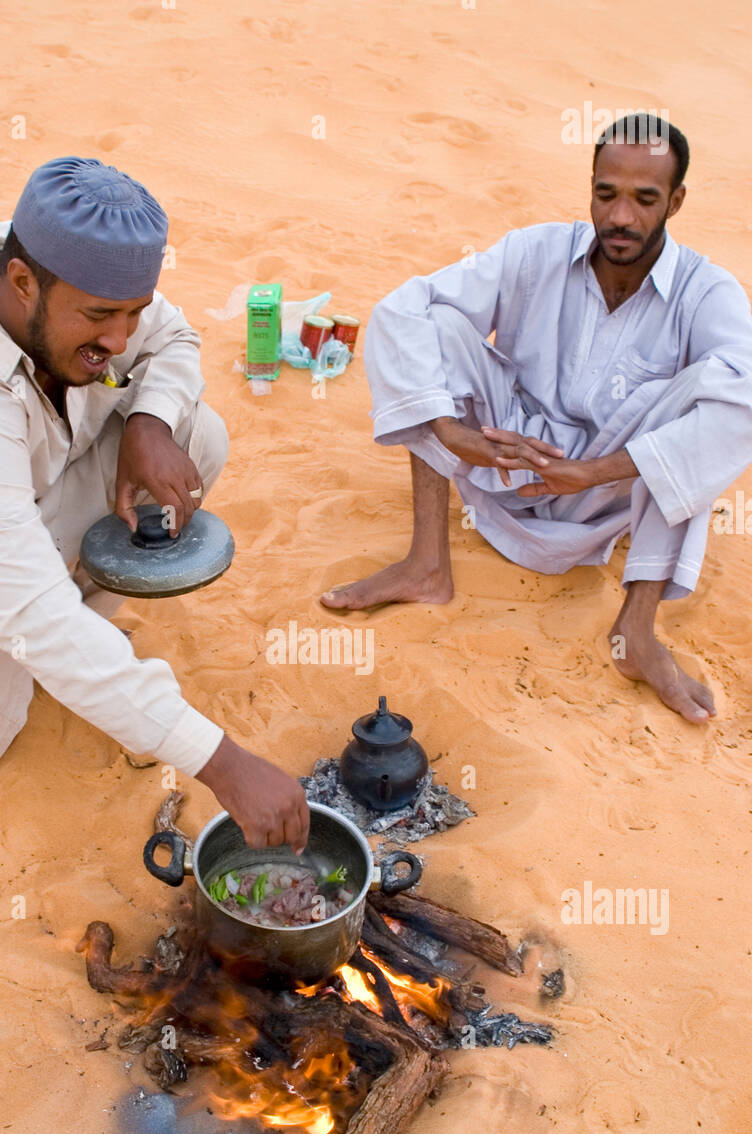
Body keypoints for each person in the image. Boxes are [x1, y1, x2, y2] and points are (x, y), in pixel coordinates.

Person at [0, 157, 308, 850]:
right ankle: (9, 702)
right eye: (100, 318)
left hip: (15, 498)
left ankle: (87, 665)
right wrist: (223, 765)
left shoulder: (65, 269)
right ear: (22, 282)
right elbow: (32, 613)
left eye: (131, 313)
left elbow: (172, 337)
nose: (118, 340)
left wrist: (148, 422)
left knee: (193, 435)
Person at [321, 115, 752, 724]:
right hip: (507, 457)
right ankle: (426, 564)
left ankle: (637, 627)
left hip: (608, 493)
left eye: (644, 199)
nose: (621, 217)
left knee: (721, 392)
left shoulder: (707, 292)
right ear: (592, 186)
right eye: (607, 193)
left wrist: (591, 472)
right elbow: (405, 310)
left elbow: (742, 400)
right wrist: (450, 430)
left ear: (675, 201)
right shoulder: (535, 252)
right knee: (433, 320)